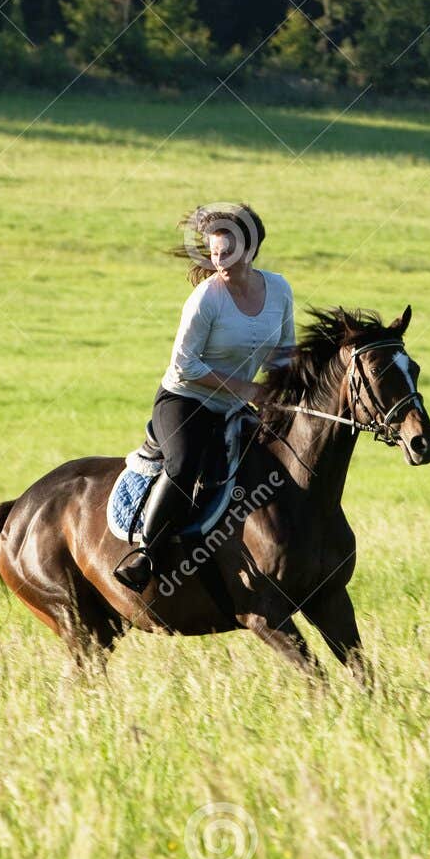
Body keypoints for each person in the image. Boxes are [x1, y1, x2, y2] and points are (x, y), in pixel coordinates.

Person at [113, 203, 295, 592]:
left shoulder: (279, 288)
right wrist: (248, 389)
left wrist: (289, 393)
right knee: (183, 464)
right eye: (213, 253)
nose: (218, 260)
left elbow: (284, 351)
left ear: (250, 249)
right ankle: (147, 552)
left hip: (233, 406)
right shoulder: (205, 298)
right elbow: (184, 367)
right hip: (183, 400)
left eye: (226, 251)